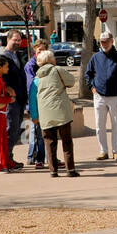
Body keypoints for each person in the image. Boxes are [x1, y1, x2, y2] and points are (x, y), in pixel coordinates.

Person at [35, 49, 79, 178]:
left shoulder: (38, 75)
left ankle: (53, 170)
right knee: (66, 140)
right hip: (60, 111)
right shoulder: (57, 70)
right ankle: (70, 169)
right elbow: (71, 81)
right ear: (51, 60)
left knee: (49, 142)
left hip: (45, 112)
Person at [84, 29, 117, 160]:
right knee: (99, 125)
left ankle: (116, 151)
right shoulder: (96, 57)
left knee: (116, 124)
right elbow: (88, 74)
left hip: (115, 96)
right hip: (99, 95)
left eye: (106, 41)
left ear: (112, 41)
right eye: (102, 42)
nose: (104, 44)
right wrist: (92, 87)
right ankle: (103, 151)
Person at [0, 29, 27, 168]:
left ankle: (9, 157)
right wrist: (7, 89)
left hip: (19, 98)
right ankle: (4, 160)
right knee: (10, 129)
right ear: (8, 39)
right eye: (15, 39)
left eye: (19, 40)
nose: (17, 42)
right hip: (10, 99)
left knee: (15, 129)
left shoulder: (16, 55)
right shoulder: (2, 56)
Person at [0, 57, 21, 173]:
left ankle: (5, 163)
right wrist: (8, 99)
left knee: (2, 140)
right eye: (6, 66)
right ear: (0, 68)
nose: (8, 68)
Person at [24, 39, 50, 169]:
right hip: (34, 103)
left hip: (45, 102)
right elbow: (31, 86)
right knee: (36, 131)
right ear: (35, 50)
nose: (41, 52)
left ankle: (41, 156)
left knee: (41, 132)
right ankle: (34, 157)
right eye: (39, 50)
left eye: (44, 50)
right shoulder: (31, 65)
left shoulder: (46, 63)